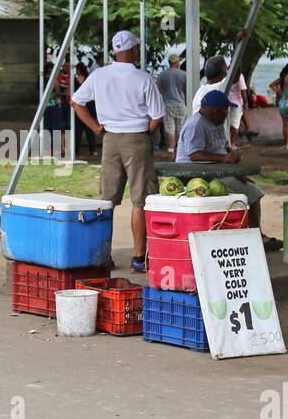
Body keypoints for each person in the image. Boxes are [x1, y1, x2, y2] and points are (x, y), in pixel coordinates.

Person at [71, 30, 165, 273]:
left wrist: (95, 127)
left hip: (109, 139)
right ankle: (137, 258)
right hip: (137, 139)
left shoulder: (99, 75)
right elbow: (157, 117)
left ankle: (102, 255)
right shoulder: (144, 78)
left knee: (107, 200)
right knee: (140, 199)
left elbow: (76, 102)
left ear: (114, 51)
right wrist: (145, 132)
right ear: (133, 50)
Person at [175, 91, 282, 253]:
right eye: (225, 110)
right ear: (216, 111)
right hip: (197, 175)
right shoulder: (196, 124)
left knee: (252, 191)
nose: (227, 113)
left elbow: (225, 149)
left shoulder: (217, 124)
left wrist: (235, 169)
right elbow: (194, 155)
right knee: (235, 195)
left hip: (217, 172)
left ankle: (256, 234)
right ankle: (240, 236)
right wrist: (223, 159)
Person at [190, 48, 248, 149]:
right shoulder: (217, 88)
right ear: (223, 73)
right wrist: (237, 47)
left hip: (210, 145)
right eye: (226, 70)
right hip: (212, 149)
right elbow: (235, 74)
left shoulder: (200, 90)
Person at [157, 54, 189, 156]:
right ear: (176, 62)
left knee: (170, 128)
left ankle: (170, 150)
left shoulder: (162, 74)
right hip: (180, 103)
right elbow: (186, 90)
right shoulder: (184, 74)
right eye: (179, 61)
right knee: (181, 127)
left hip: (167, 104)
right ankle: (181, 150)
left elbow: (159, 90)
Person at [41, 63, 70, 159]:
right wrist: (63, 93)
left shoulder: (41, 79)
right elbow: (57, 92)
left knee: (47, 128)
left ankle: (48, 150)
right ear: (50, 69)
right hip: (54, 105)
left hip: (45, 106)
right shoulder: (53, 79)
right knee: (58, 128)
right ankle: (60, 149)